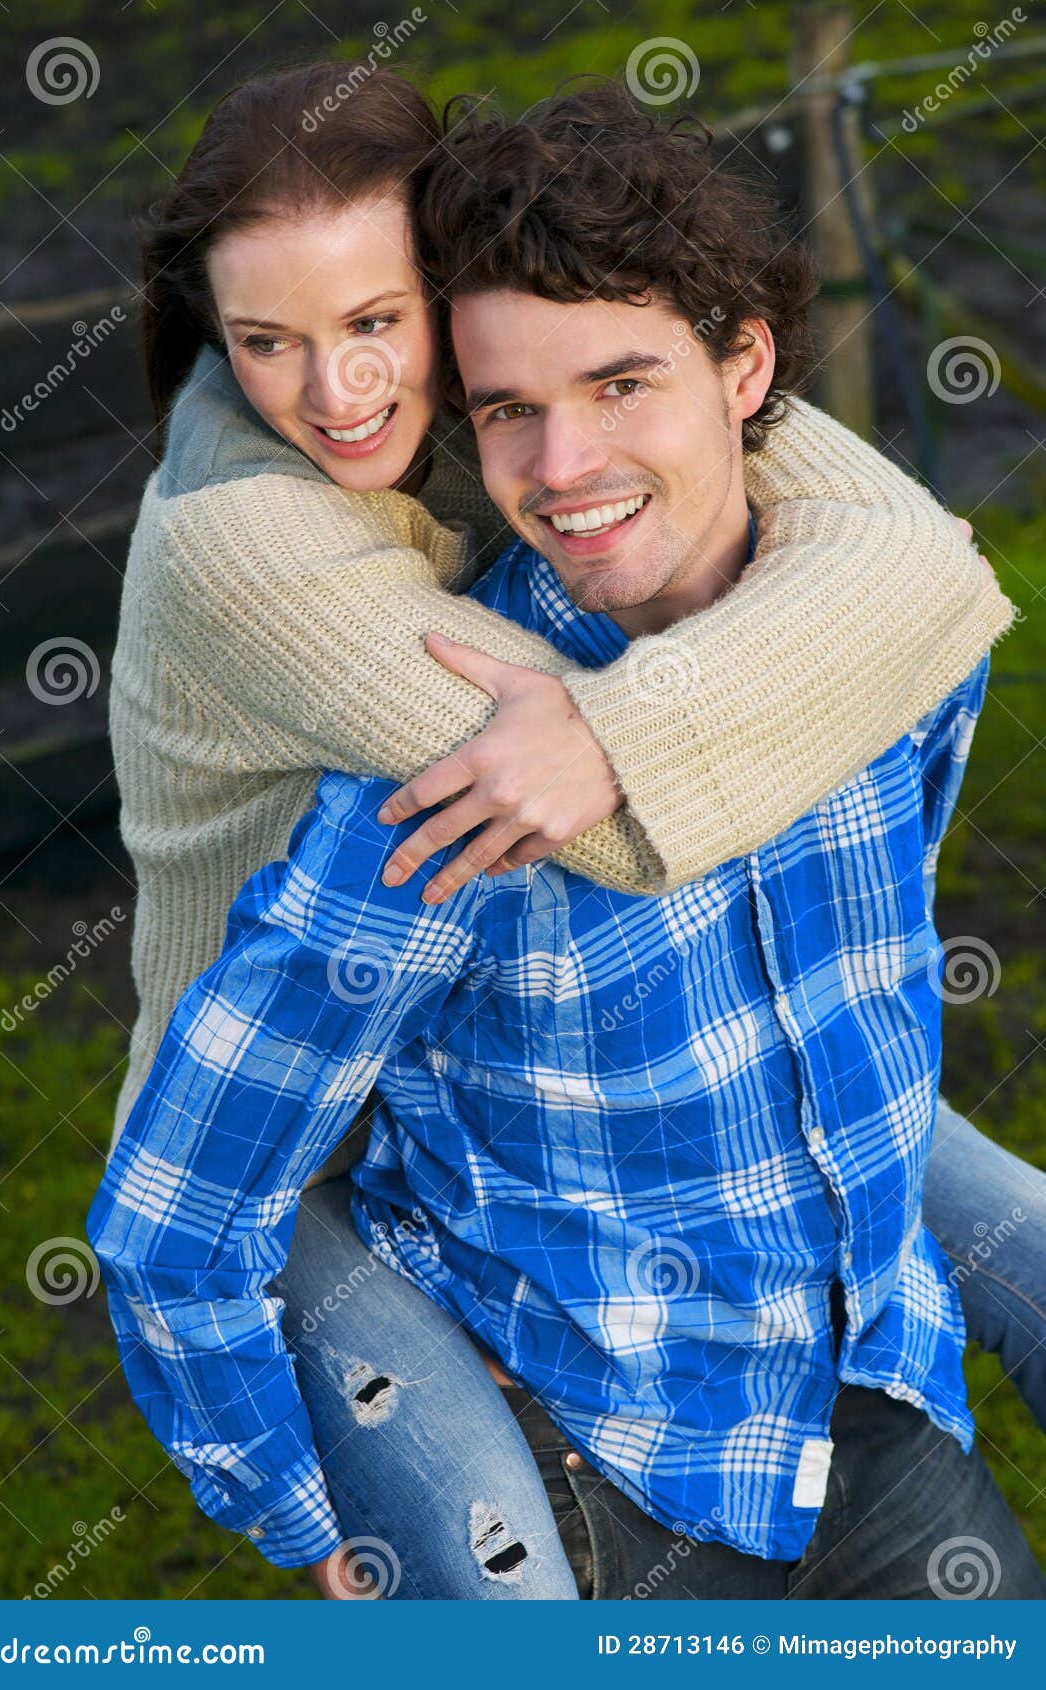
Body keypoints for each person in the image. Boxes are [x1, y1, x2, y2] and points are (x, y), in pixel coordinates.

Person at [89, 77, 1045, 1601]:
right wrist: (295, 1516)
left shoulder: (537, 412)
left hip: (688, 1118)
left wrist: (844, 577)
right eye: (266, 340)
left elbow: (905, 566)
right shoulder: (270, 568)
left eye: (375, 327)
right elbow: (564, 803)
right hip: (320, 1146)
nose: (334, 390)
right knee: (499, 1591)